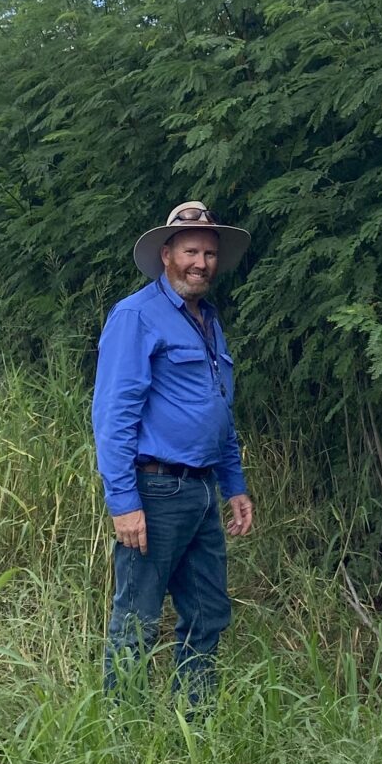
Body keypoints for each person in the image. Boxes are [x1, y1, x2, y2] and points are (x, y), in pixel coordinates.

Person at [93, 200, 255, 703]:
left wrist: (234, 484)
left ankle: (195, 719)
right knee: (138, 617)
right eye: (190, 251)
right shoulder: (137, 316)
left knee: (208, 612)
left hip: (203, 490)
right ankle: (123, 732)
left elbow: (218, 408)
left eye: (209, 253)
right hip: (155, 489)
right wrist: (124, 503)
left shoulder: (208, 320)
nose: (200, 263)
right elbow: (113, 416)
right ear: (167, 254)